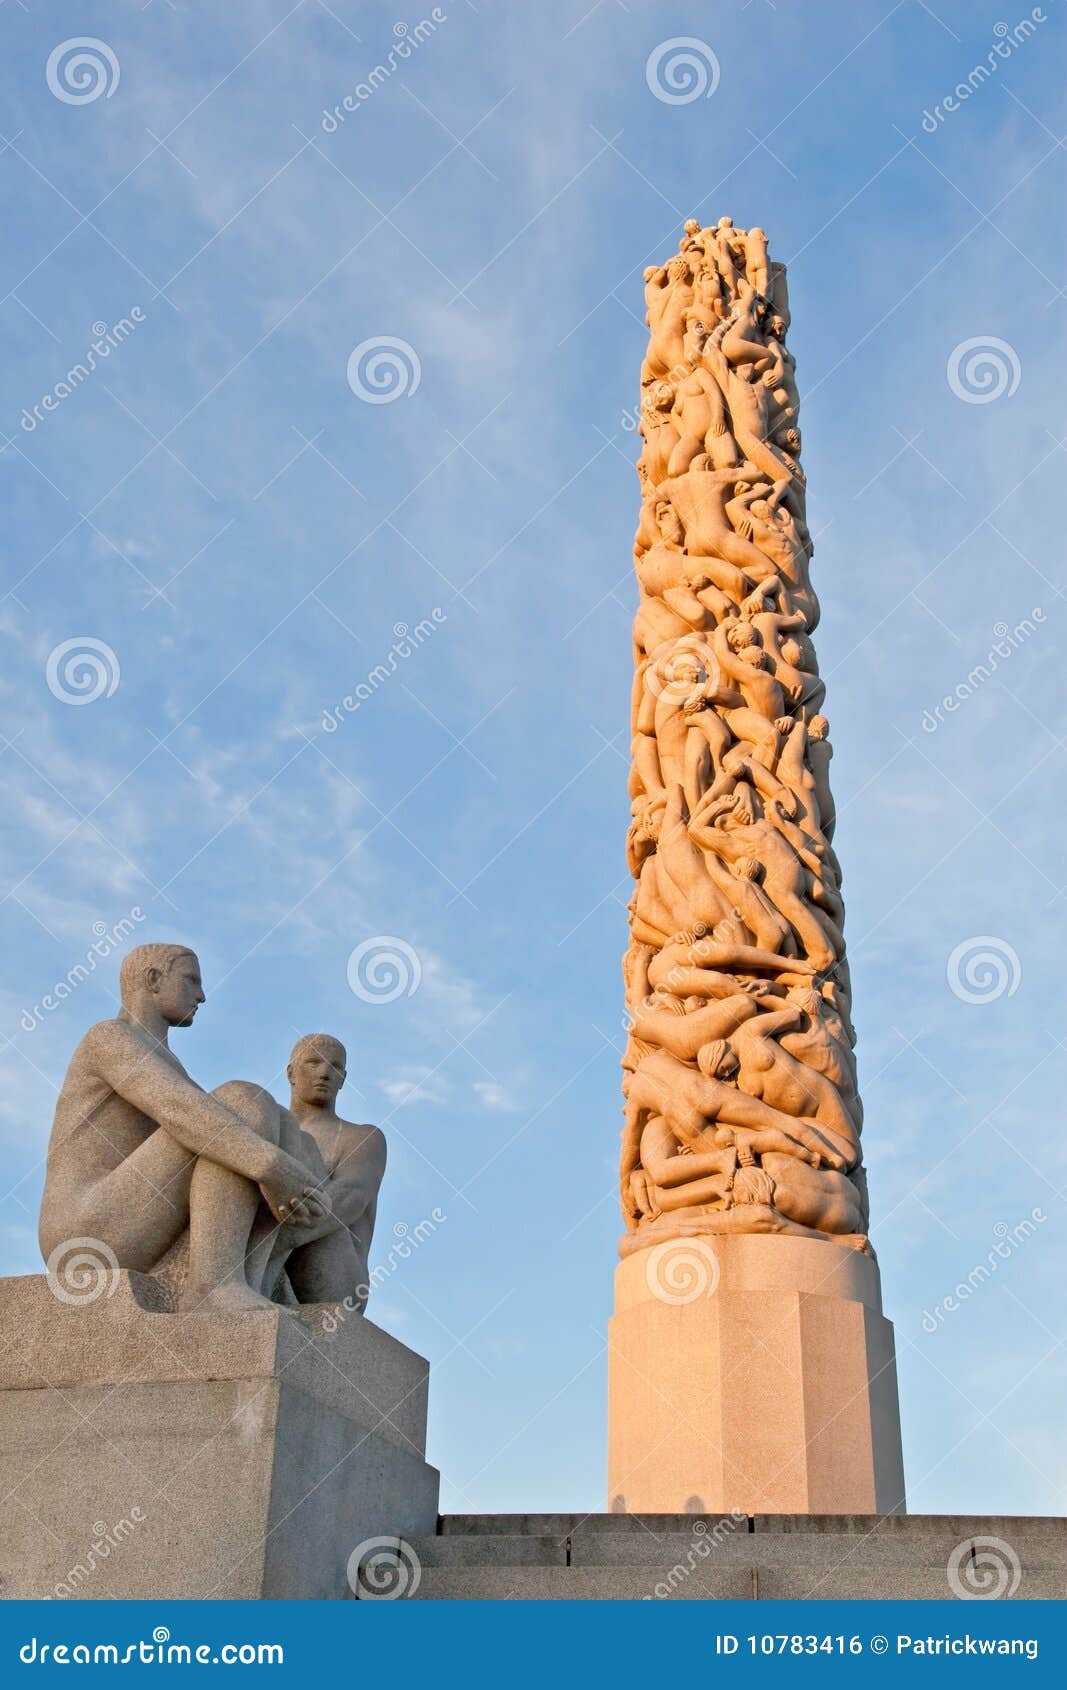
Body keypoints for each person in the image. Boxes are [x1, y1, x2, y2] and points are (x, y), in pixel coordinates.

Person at [38, 944, 328, 1313]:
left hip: (132, 1218)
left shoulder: (169, 1063)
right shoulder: (108, 1038)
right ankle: (212, 1286)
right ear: (153, 979)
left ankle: (249, 1283)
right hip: (84, 1232)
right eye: (191, 980)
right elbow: (179, 1110)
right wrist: (273, 1167)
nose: (202, 995)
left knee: (281, 1122)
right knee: (241, 1101)